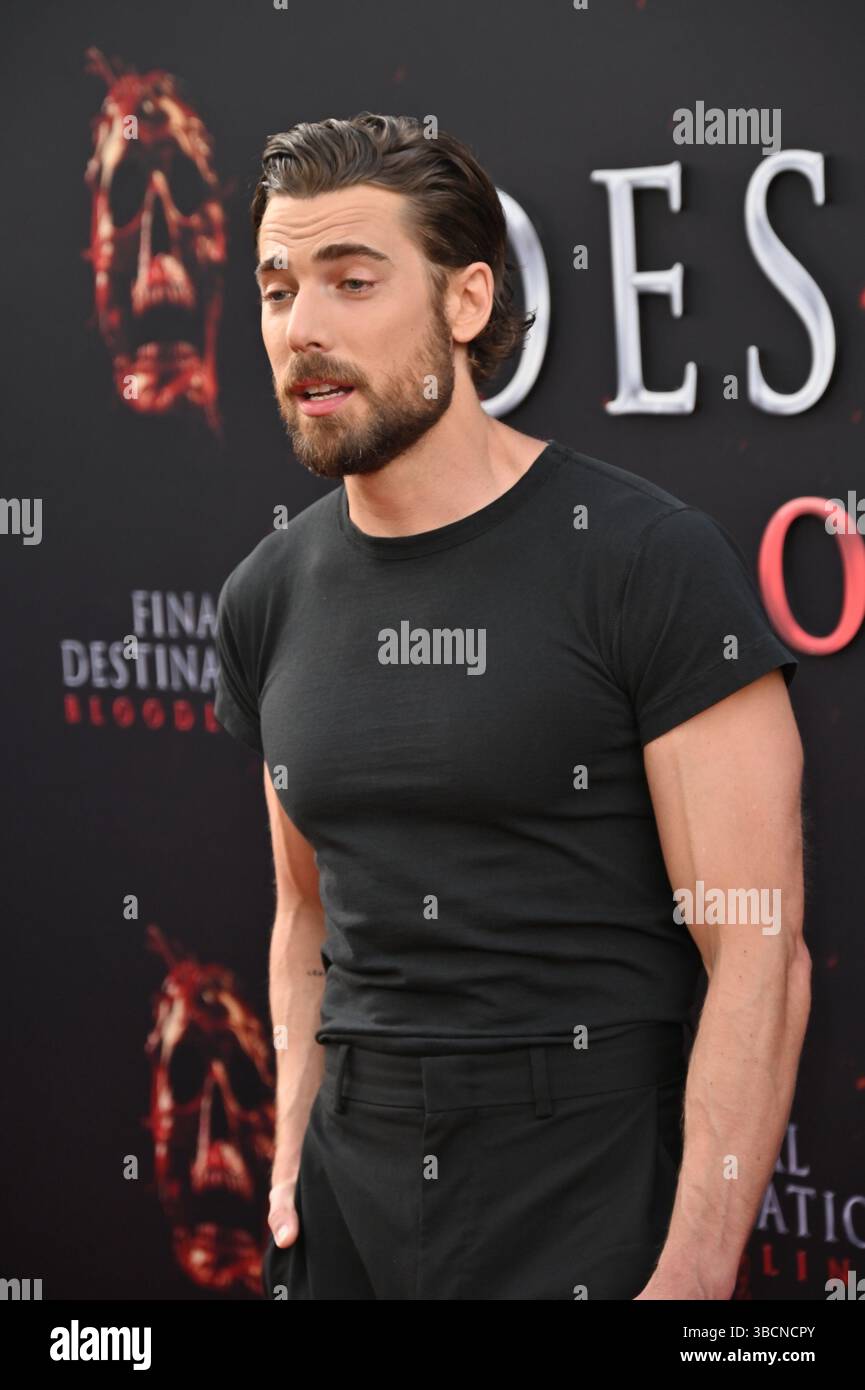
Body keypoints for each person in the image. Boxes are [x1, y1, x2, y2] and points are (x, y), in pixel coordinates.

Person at [214, 113, 810, 1300]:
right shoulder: (263, 595)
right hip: (349, 1194)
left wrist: (690, 1278)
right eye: (280, 290)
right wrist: (289, 1142)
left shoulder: (643, 559)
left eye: (352, 282)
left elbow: (758, 952)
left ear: (468, 303)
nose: (304, 329)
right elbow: (302, 914)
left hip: (584, 1179)